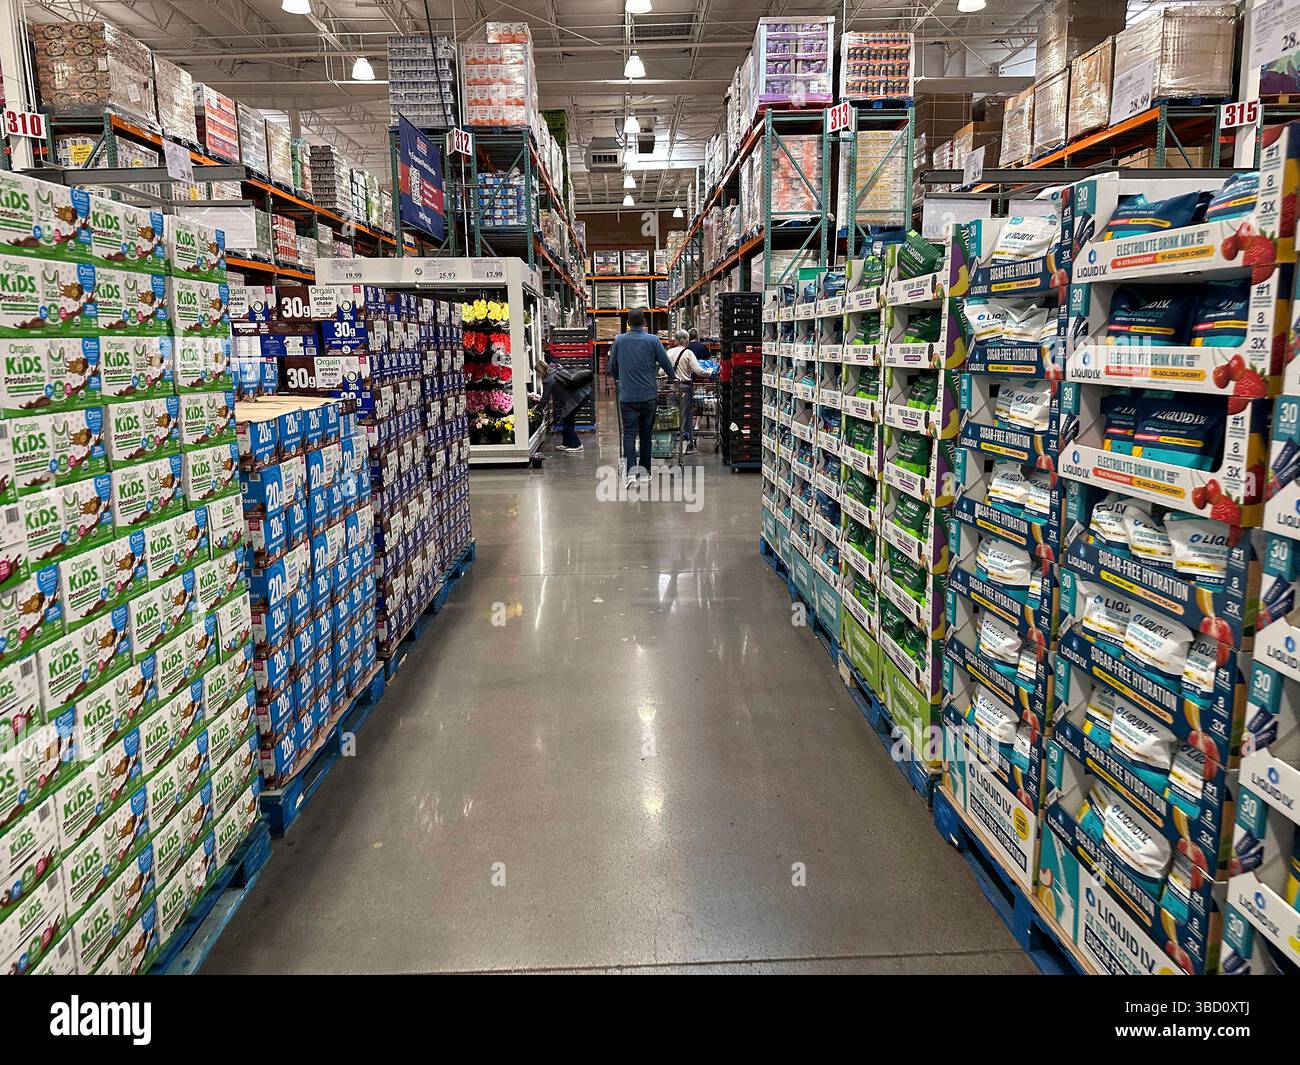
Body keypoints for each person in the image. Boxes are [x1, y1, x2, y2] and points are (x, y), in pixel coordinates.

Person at [607, 307, 676, 483]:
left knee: (629, 433)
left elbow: (612, 367)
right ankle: (645, 472)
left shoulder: (619, 340)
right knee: (646, 434)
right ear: (644, 323)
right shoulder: (653, 340)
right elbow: (666, 363)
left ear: (628, 324)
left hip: (627, 396)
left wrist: (619, 380)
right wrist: (671, 378)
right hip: (648, 396)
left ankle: (630, 472)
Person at [662, 328, 710, 453]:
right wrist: (710, 372)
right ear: (687, 340)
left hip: (671, 387)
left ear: (676, 340)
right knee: (687, 417)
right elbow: (699, 371)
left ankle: (671, 445)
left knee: (672, 415)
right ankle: (688, 446)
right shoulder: (688, 353)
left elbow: (661, 372)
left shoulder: (669, 352)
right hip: (684, 387)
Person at [534, 358, 593, 453]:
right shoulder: (555, 371)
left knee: (566, 419)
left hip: (576, 399)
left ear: (540, 371)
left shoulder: (548, 381)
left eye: (537, 373)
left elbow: (544, 399)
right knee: (567, 419)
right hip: (581, 394)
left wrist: (536, 411)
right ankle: (566, 443)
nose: (537, 375)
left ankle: (577, 445)